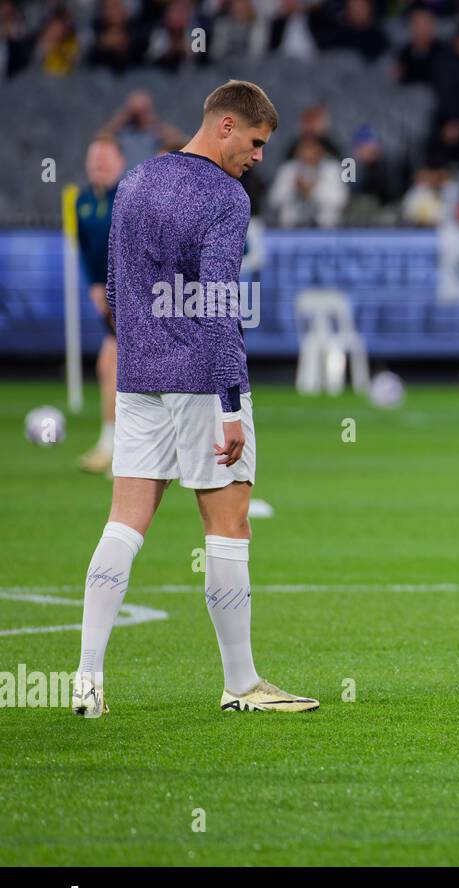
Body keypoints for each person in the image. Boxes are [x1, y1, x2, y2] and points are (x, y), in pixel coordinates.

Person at [70, 80, 318, 719]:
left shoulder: (137, 182)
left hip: (139, 378)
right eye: (257, 143)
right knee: (229, 529)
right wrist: (232, 404)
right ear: (228, 126)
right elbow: (218, 302)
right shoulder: (224, 197)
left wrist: (138, 353)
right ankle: (241, 684)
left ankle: (87, 679)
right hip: (204, 384)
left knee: (123, 525)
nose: (259, 157)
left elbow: (121, 293)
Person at [75, 136, 126, 475]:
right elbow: (86, 248)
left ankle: (116, 448)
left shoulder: (127, 198)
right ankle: (114, 445)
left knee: (112, 366)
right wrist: (95, 284)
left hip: (130, 292)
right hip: (107, 294)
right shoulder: (81, 201)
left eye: (106, 160)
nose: (100, 166)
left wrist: (115, 286)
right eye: (95, 160)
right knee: (109, 367)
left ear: (120, 164)